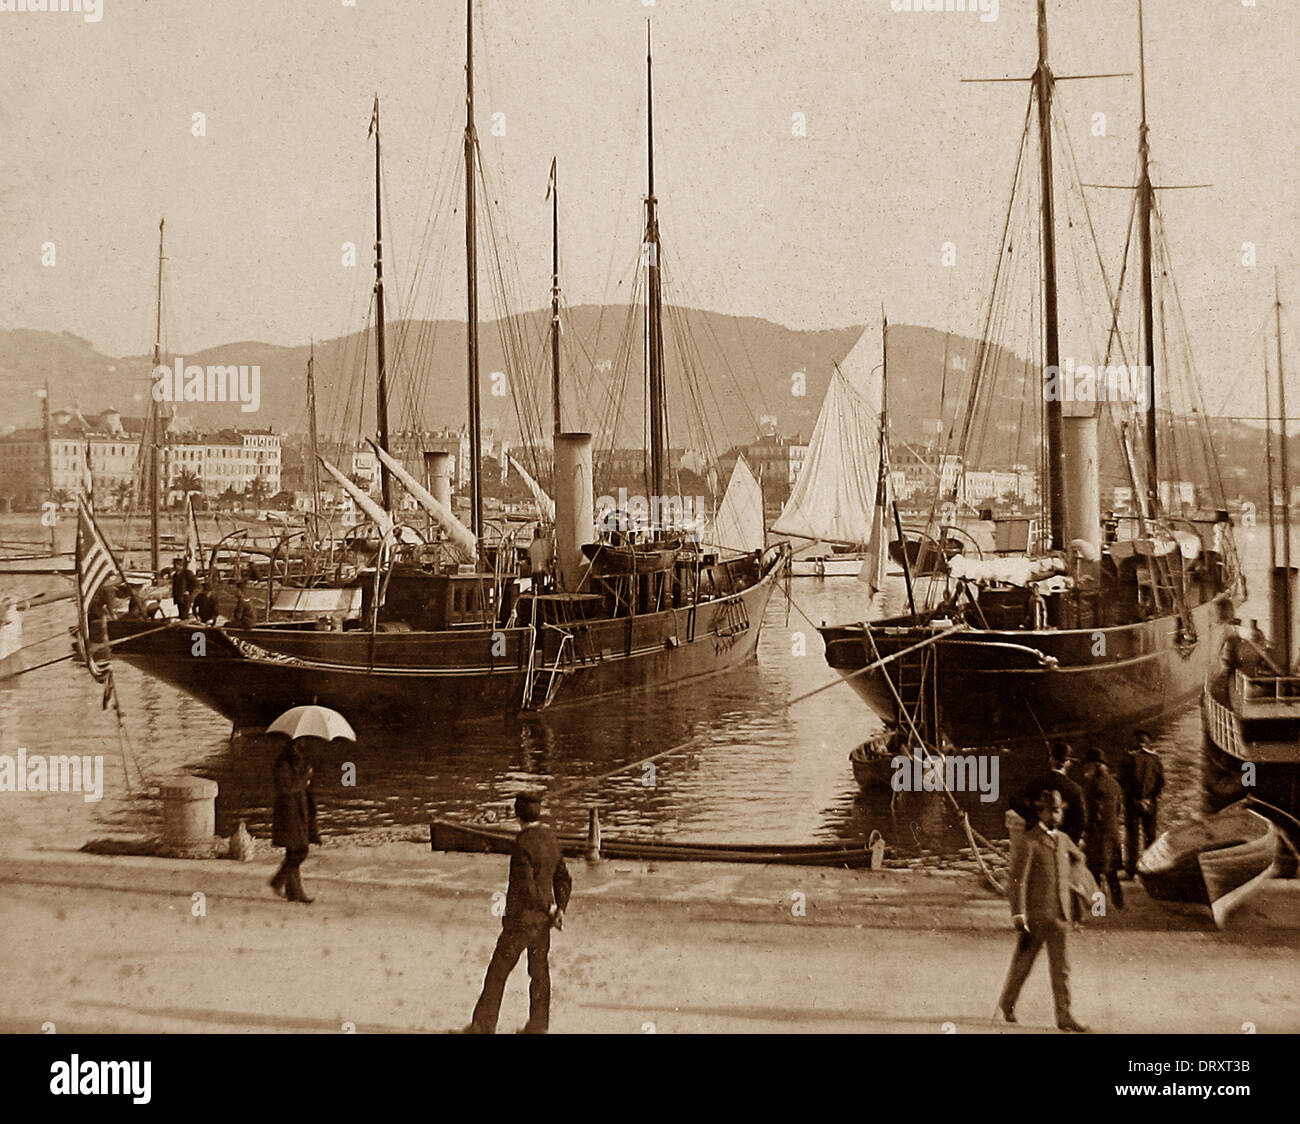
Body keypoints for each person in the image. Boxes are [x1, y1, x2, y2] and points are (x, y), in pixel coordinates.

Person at [465, 792, 572, 1034]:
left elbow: (526, 886)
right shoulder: (551, 839)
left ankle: (482, 1027)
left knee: (498, 972)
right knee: (539, 974)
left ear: (517, 814)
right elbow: (563, 878)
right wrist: (559, 909)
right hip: (544, 923)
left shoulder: (522, 843)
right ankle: (538, 1027)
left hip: (521, 921)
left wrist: (550, 907)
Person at [997, 789, 1089, 1033]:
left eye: (1059, 811)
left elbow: (1079, 857)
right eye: (1053, 811)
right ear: (1041, 812)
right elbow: (1018, 880)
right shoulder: (1029, 842)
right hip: (1035, 918)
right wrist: (1018, 914)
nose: (1057, 816)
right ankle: (1008, 1003)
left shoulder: (1063, 840)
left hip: (1060, 916)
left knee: (1062, 968)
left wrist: (1074, 875)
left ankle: (1065, 1015)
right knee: (1023, 965)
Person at [270, 738, 320, 903]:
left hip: (299, 811)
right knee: (300, 851)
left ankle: (294, 892)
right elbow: (287, 788)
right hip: (289, 812)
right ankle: (278, 881)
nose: (300, 748)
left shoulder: (296, 762)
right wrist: (305, 777)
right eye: (298, 745)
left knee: (294, 850)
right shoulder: (283, 764)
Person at [1010, 741, 1087, 845]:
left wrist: (1032, 819)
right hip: (1063, 843)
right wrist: (1072, 842)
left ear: (1051, 760)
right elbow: (1081, 820)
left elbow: (1014, 800)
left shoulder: (1037, 783)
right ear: (1068, 763)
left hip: (1037, 839)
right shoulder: (1075, 789)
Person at [1081, 747, 1123, 909]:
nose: (1086, 769)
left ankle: (1099, 907)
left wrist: (1086, 829)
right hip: (1113, 830)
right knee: (1112, 872)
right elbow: (1118, 808)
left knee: (1095, 871)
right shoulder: (1114, 783)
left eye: (1088, 766)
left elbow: (1091, 812)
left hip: (1098, 834)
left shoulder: (1092, 786)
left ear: (1095, 766)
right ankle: (1119, 903)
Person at [1118, 729, 1164, 878]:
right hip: (1150, 803)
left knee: (1132, 836)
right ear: (1148, 743)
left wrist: (1135, 800)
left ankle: (1131, 871)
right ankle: (1150, 869)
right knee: (1150, 835)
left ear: (1136, 742)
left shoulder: (1128, 759)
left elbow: (1122, 782)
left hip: (1132, 803)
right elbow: (1161, 782)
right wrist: (1150, 799)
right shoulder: (1156, 760)